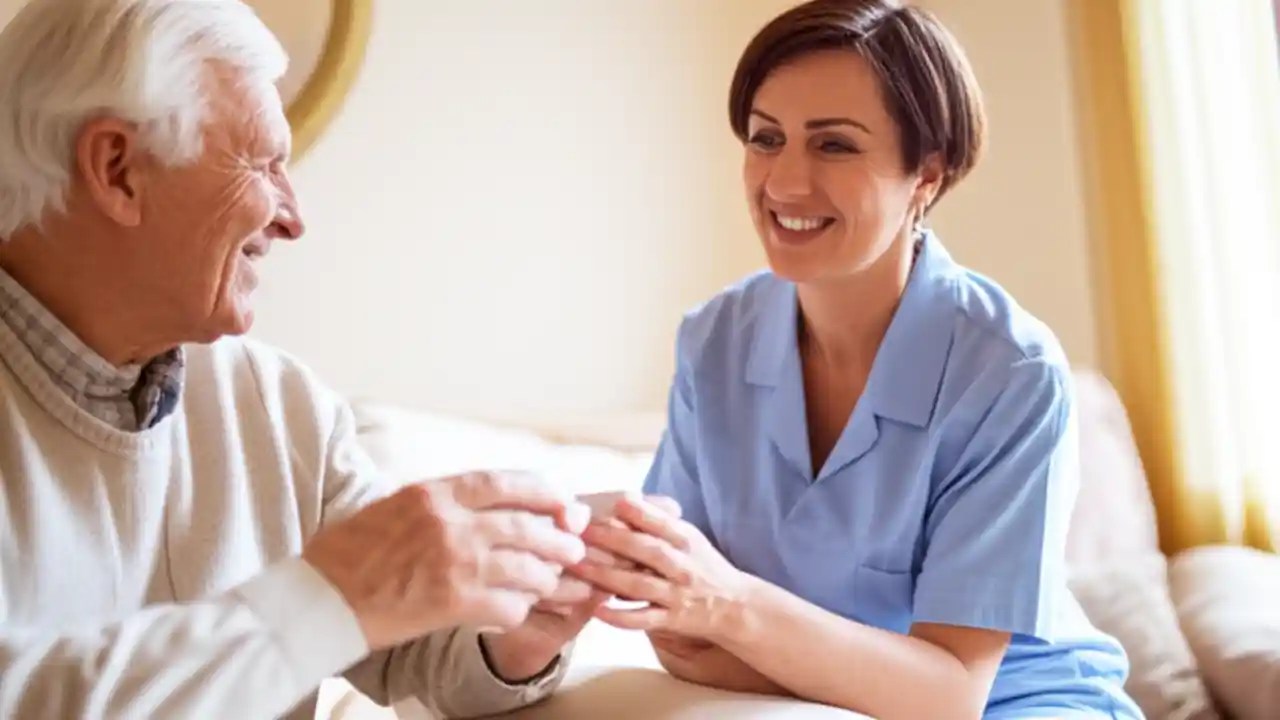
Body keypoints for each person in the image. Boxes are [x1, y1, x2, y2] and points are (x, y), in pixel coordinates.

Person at [0, 1, 604, 718]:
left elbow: (413, 649)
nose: (293, 216)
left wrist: (514, 631)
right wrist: (323, 600)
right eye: (262, 163)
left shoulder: (280, 404)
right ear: (119, 169)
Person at [571, 1, 1143, 718]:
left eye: (834, 145)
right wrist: (823, 663)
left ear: (926, 176)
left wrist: (731, 608)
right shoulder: (714, 341)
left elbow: (950, 694)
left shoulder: (1010, 375)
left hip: (1023, 703)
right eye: (766, 138)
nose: (784, 183)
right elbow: (679, 634)